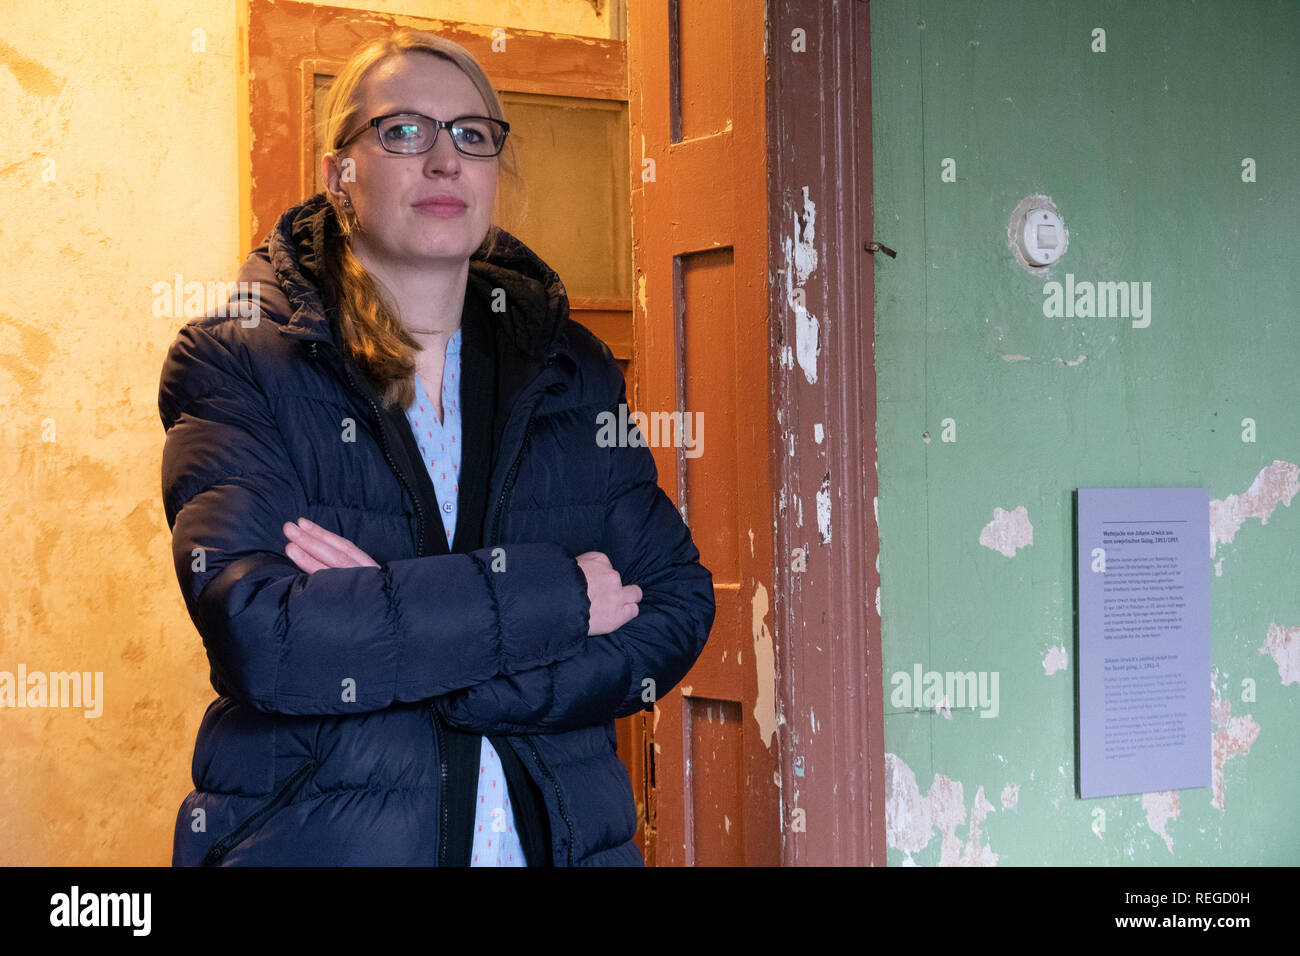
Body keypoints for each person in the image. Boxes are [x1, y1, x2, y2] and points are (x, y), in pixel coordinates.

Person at [157, 28, 715, 866]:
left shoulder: (570, 370)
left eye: (472, 134)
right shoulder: (238, 360)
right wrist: (558, 599)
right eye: (403, 130)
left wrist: (409, 637)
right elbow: (267, 639)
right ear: (338, 174)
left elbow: (674, 604)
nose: (445, 159)